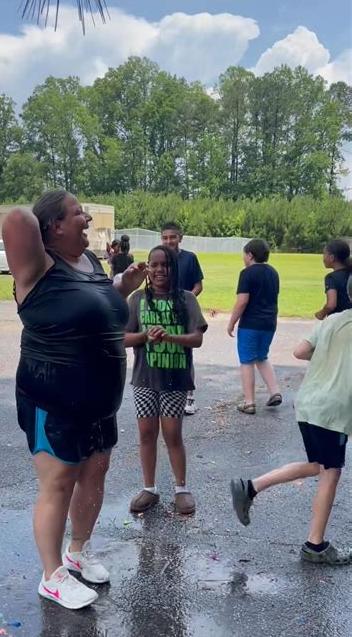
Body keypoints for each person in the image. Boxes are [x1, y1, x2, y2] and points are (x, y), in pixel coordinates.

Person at [2, 190, 147, 611]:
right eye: (77, 214)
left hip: (101, 403)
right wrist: (44, 211)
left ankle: (77, 551)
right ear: (54, 227)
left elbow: (94, 310)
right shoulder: (36, 269)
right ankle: (51, 576)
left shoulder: (92, 263)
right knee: (59, 483)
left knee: (95, 475)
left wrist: (123, 287)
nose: (86, 219)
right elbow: (15, 218)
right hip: (53, 400)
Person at [230, 275, 352, 566]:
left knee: (320, 466)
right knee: (330, 472)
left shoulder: (332, 321)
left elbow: (300, 351)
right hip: (332, 410)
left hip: (309, 403)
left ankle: (251, 487)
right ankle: (315, 544)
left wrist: (329, 354)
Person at [125, 245, 207, 516]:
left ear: (174, 268)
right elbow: (123, 337)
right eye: (155, 264)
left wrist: (170, 338)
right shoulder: (137, 299)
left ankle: (181, 489)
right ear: (147, 268)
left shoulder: (186, 299)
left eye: (166, 265)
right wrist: (144, 336)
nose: (160, 270)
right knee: (146, 434)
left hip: (175, 378)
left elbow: (197, 339)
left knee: (173, 434)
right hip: (144, 379)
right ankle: (149, 488)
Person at [227, 239, 281, 415]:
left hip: (251, 323)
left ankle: (249, 402)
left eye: (244, 254)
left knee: (247, 360)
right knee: (261, 356)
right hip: (269, 322)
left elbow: (242, 301)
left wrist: (232, 322)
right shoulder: (273, 272)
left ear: (250, 255)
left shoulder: (247, 273)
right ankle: (275, 391)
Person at [160, 222, 204, 415]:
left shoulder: (189, 258)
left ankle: (189, 397)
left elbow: (198, 285)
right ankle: (165, 391)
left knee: (186, 353)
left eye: (172, 237)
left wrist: (186, 301)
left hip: (183, 312)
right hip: (162, 311)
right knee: (164, 349)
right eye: (165, 237)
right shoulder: (159, 258)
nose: (169, 241)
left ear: (180, 238)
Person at [315, 239, 351, 320]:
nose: (323, 257)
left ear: (332, 258)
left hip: (338, 321)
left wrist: (321, 314)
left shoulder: (331, 278)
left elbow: (331, 304)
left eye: (325, 254)